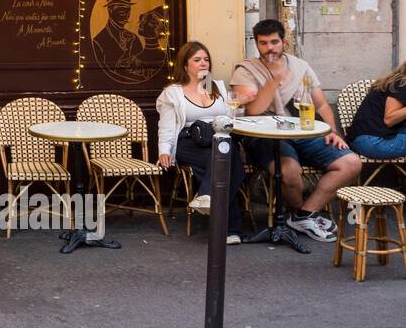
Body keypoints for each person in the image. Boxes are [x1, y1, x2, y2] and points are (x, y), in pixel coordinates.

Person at [230, 18, 361, 242]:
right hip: (265, 135)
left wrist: (333, 131)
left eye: (274, 42)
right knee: (289, 172)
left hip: (303, 130)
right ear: (257, 44)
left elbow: (320, 104)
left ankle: (302, 216)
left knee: (351, 163)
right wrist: (274, 80)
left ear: (284, 41)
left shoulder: (301, 68)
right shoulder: (246, 70)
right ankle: (301, 215)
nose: (269, 48)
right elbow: (253, 110)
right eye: (263, 43)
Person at [155, 41, 245, 243]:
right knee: (230, 161)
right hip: (189, 141)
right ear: (185, 66)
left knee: (227, 159)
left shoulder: (219, 87)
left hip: (219, 138)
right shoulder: (173, 93)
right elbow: (167, 126)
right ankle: (231, 228)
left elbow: (232, 117)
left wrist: (239, 107)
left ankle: (207, 197)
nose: (203, 63)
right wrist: (164, 150)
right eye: (197, 60)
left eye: (206, 60)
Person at [349, 60, 406, 161]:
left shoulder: (398, 80)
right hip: (373, 142)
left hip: (365, 140)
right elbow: (389, 119)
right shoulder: (402, 84)